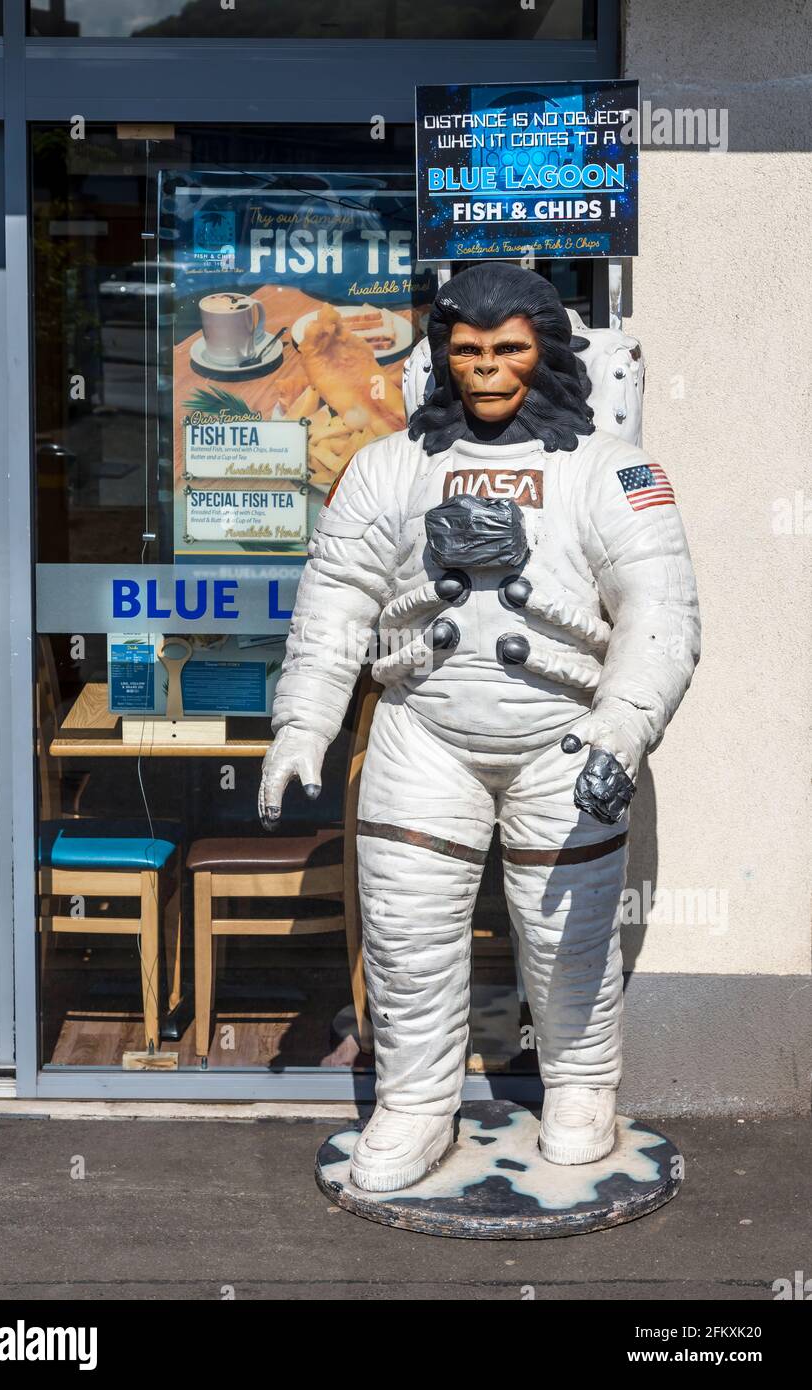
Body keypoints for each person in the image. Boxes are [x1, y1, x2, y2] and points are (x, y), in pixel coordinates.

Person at [259, 263, 701, 1192]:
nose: (486, 369)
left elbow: (661, 611)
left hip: (565, 736)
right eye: (466, 351)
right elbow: (335, 598)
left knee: (567, 937)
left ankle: (580, 1086)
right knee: (407, 934)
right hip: (425, 731)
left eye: (507, 350)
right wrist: (304, 722)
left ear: (549, 353)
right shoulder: (388, 468)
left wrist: (625, 727)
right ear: (440, 358)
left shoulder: (613, 472)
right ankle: (416, 1102)